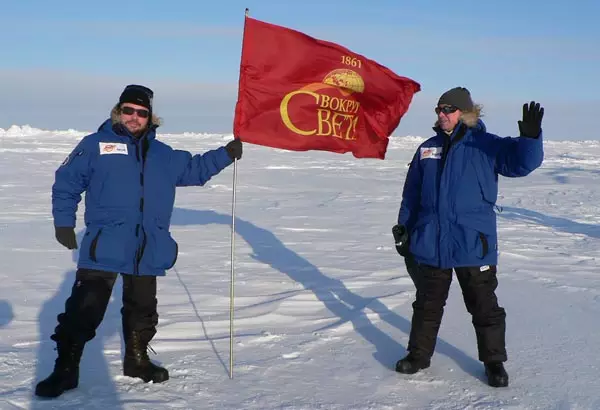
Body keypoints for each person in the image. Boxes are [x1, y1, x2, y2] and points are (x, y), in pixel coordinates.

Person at [35, 84, 243, 398]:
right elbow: (66, 183)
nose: (134, 117)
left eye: (141, 112)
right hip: (105, 245)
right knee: (84, 309)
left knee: (143, 309)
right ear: (118, 111)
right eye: (129, 110)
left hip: (148, 246)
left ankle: (137, 360)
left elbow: (195, 169)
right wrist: (63, 223)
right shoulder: (95, 145)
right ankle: (65, 369)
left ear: (150, 117)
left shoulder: (163, 154)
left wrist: (226, 154)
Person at [392, 87, 544, 388]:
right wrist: (404, 229)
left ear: (464, 112)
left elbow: (522, 164)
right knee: (427, 305)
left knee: (484, 306)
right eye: (438, 109)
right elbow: (411, 194)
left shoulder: (486, 145)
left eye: (447, 109)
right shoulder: (427, 149)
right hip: (431, 240)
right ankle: (418, 356)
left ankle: (494, 363)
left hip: (473, 242)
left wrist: (529, 138)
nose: (441, 114)